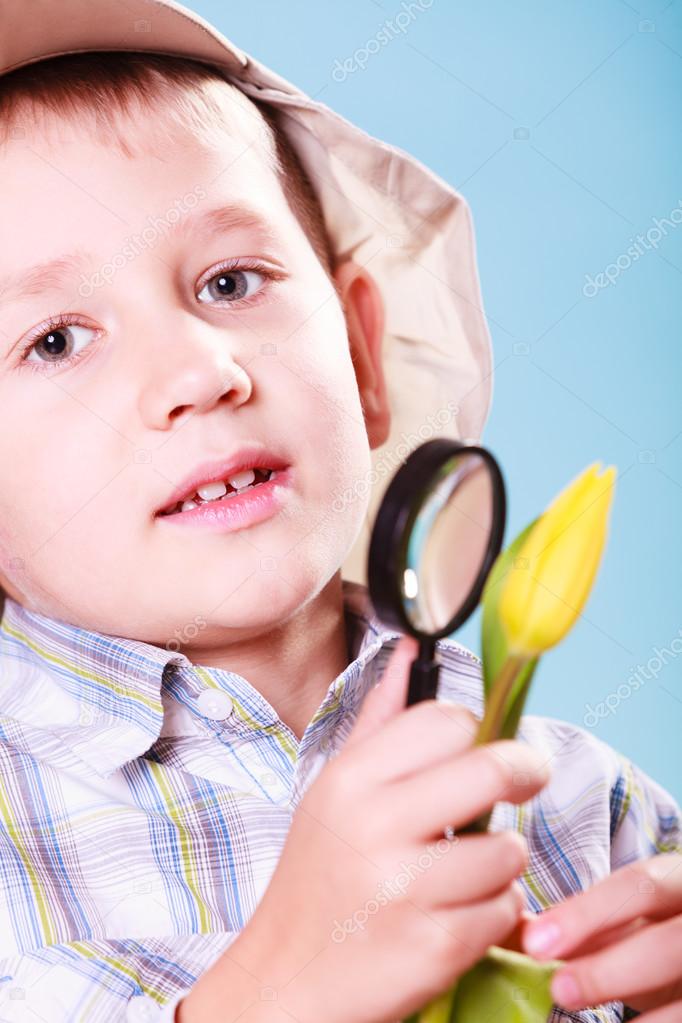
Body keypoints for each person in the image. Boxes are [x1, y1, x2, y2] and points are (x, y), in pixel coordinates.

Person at [0, 3, 679, 1021]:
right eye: (55, 341)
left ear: (365, 357)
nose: (200, 369)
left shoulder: (587, 804)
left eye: (231, 282)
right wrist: (270, 997)